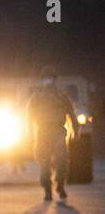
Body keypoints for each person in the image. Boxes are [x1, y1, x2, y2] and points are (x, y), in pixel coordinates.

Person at [25, 67, 79, 202]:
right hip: (43, 132)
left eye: (50, 78)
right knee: (44, 162)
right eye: (45, 78)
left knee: (62, 161)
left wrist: (75, 130)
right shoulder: (36, 98)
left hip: (58, 131)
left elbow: (71, 114)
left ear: (55, 80)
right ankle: (47, 190)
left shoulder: (62, 96)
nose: (48, 81)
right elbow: (28, 117)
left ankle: (60, 186)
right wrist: (29, 134)